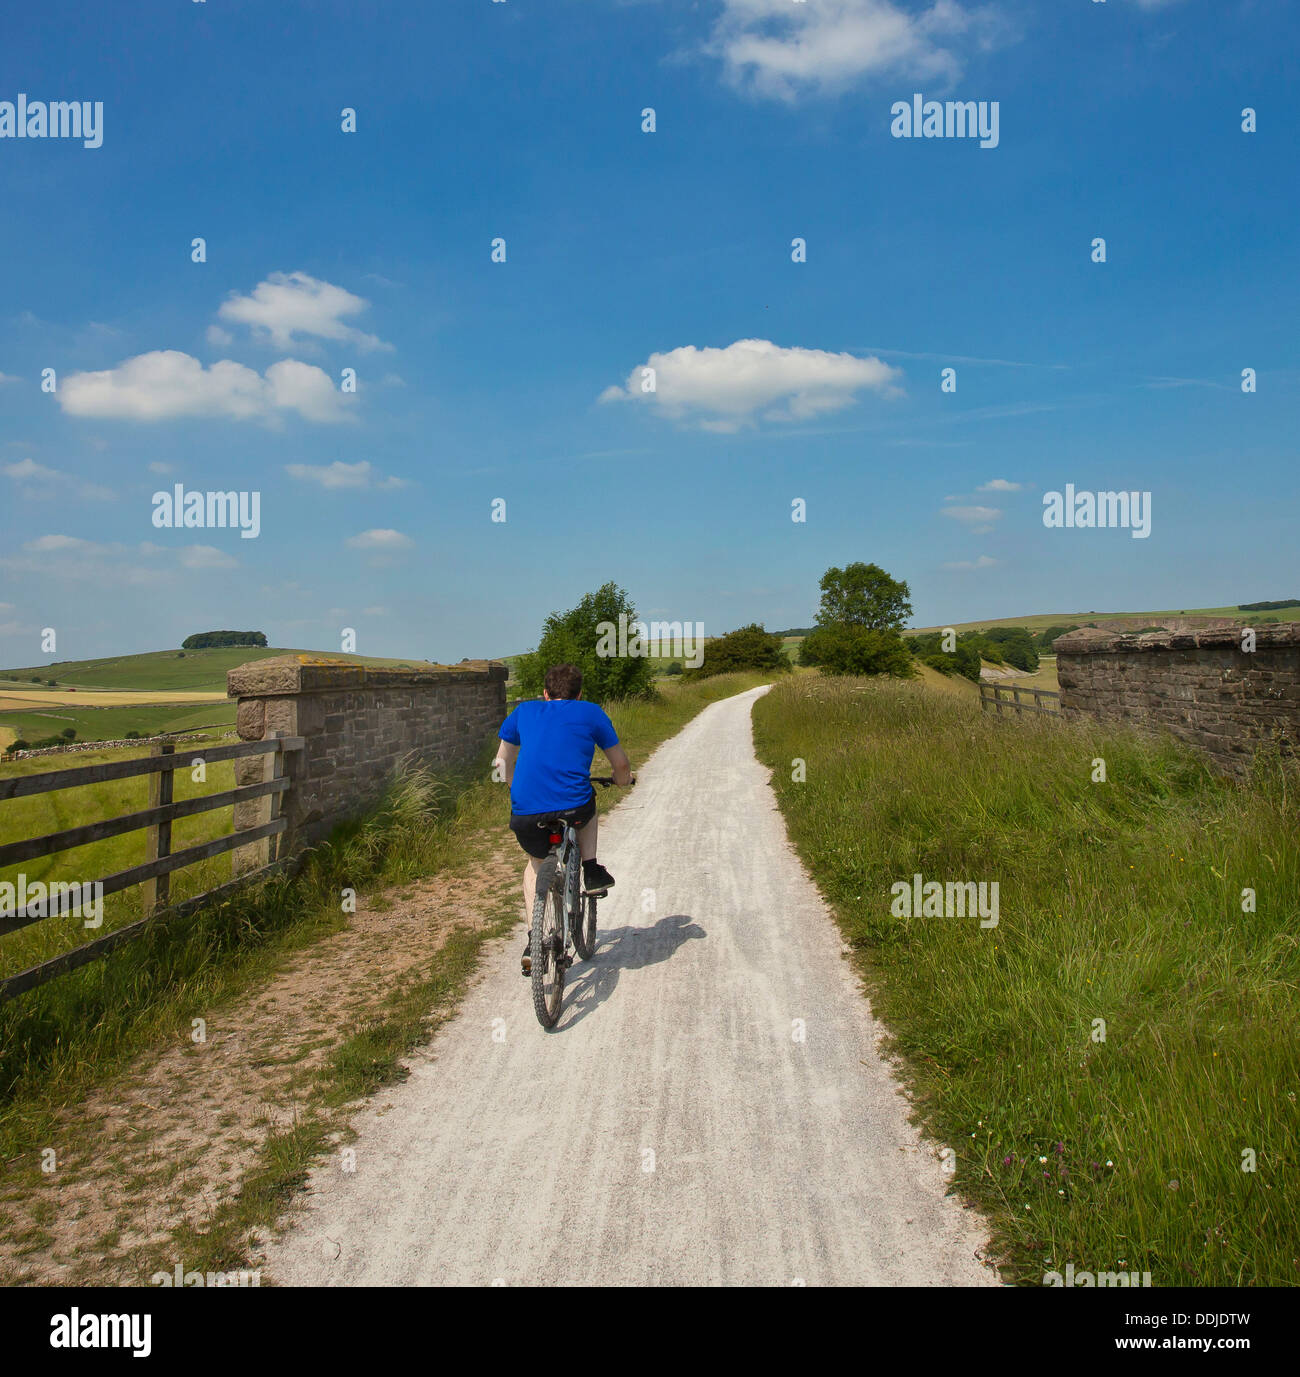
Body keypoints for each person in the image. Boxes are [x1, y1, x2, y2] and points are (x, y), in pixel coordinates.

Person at [494, 662, 632, 974]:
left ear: (545, 694)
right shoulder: (590, 712)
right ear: (579, 694)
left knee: (535, 865)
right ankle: (591, 868)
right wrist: (622, 780)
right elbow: (621, 765)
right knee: (589, 805)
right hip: (574, 807)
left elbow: (500, 763)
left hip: (526, 811)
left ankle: (534, 942)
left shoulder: (523, 712)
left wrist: (518, 789)